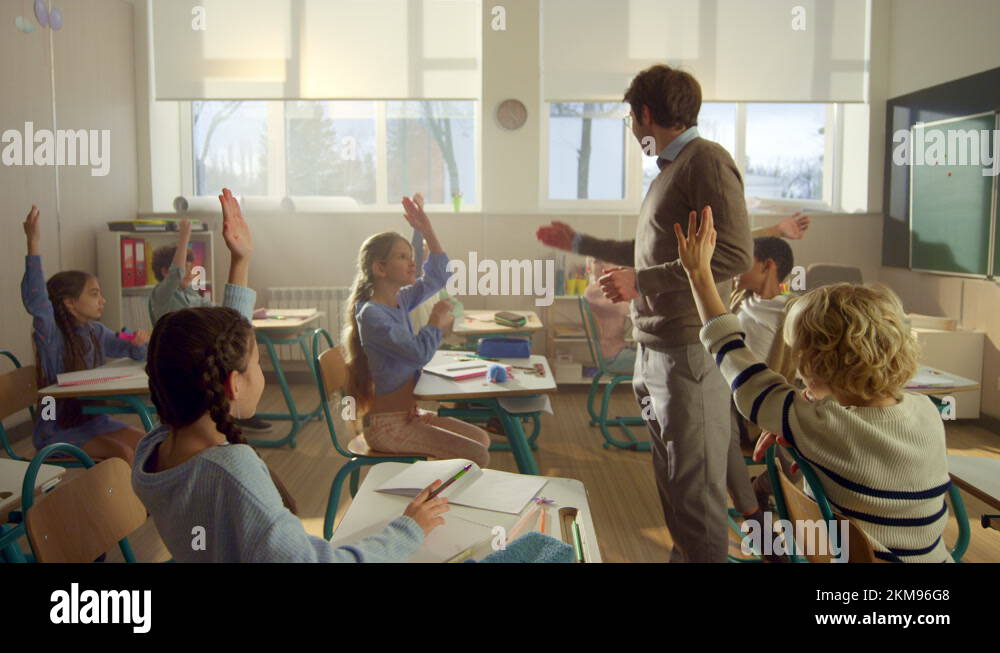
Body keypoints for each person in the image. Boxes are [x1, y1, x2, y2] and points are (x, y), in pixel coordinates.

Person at [132, 190, 449, 562]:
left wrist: (241, 259)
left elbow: (223, 348)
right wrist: (407, 529)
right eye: (257, 363)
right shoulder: (234, 472)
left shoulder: (154, 449)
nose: (261, 373)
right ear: (232, 384)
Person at [537, 64, 753, 562]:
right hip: (655, 350)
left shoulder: (706, 161)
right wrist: (580, 242)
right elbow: (647, 252)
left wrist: (643, 282)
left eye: (633, 120)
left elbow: (734, 255)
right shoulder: (672, 172)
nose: (634, 132)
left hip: (688, 353)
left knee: (697, 500)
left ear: (646, 115)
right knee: (678, 493)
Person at [677, 206, 952, 563]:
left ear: (812, 364)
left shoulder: (820, 424)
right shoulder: (926, 411)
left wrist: (699, 274)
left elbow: (729, 350)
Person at [344, 197, 490, 467]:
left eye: (412, 258)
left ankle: (437, 495)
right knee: (477, 455)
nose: (413, 264)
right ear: (380, 268)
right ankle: (437, 502)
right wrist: (435, 322)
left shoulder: (399, 300)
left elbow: (438, 276)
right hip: (386, 426)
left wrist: (427, 230)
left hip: (409, 414)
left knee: (480, 439)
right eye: (403, 257)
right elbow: (418, 354)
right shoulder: (372, 315)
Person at [21, 206, 149, 462]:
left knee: (146, 444)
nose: (103, 300)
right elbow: (37, 301)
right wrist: (33, 244)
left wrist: (137, 343)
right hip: (54, 430)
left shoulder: (96, 331)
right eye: (94, 294)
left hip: (94, 421)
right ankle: (124, 502)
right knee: (122, 454)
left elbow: (130, 349)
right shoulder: (51, 335)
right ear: (70, 303)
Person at [149, 215, 272, 433]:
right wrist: (185, 235)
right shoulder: (162, 294)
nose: (189, 272)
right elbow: (176, 273)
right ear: (165, 272)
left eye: (191, 268)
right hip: (186, 369)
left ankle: (237, 414)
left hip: (206, 363)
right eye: (185, 268)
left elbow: (226, 319)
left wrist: (240, 260)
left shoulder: (191, 295)